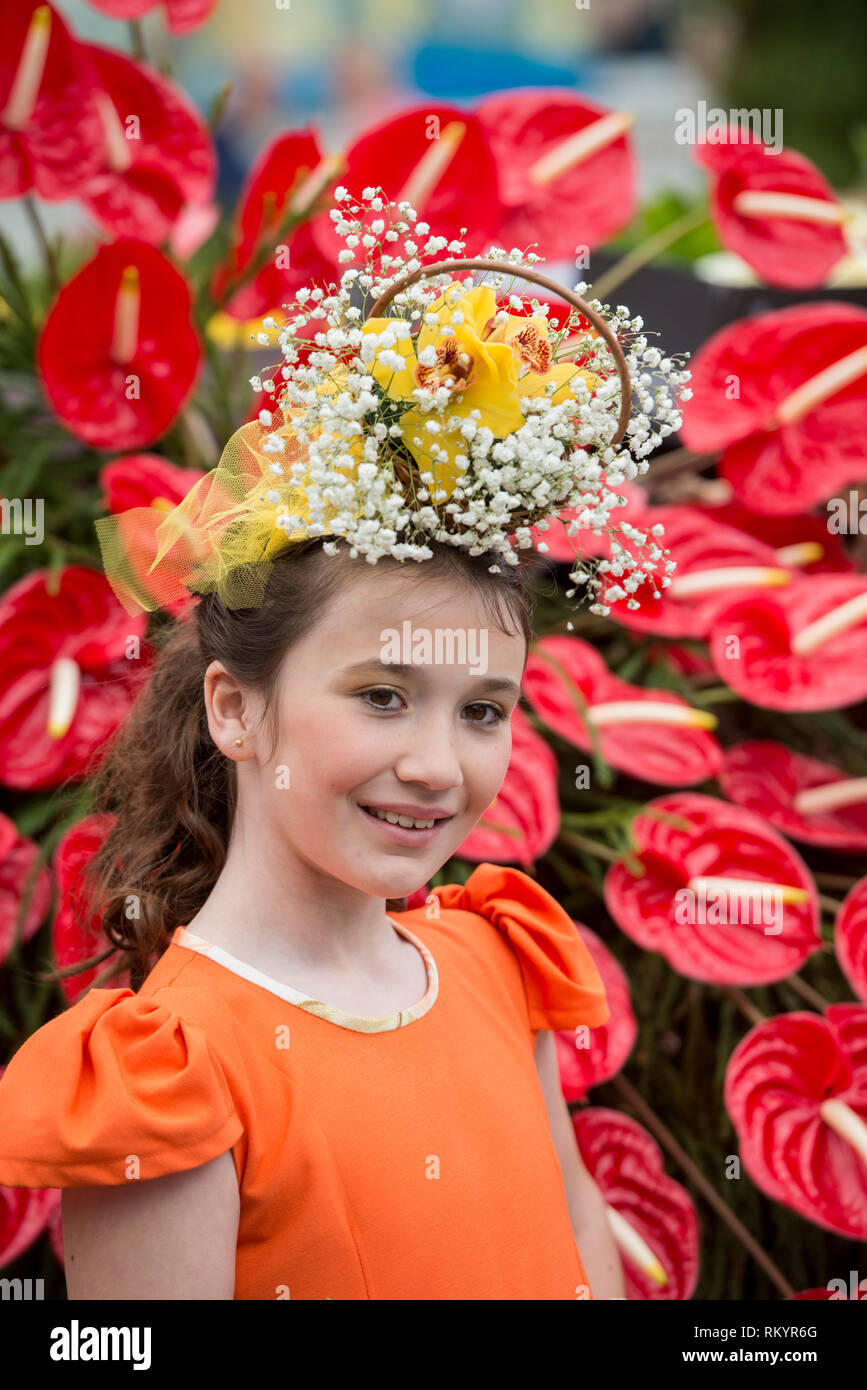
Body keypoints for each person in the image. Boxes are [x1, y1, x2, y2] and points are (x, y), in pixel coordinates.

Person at [0, 191, 676, 1298]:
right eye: (380, 694)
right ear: (234, 708)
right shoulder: (170, 1073)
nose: (436, 764)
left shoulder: (502, 966)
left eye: (482, 710)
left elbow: (578, 1262)